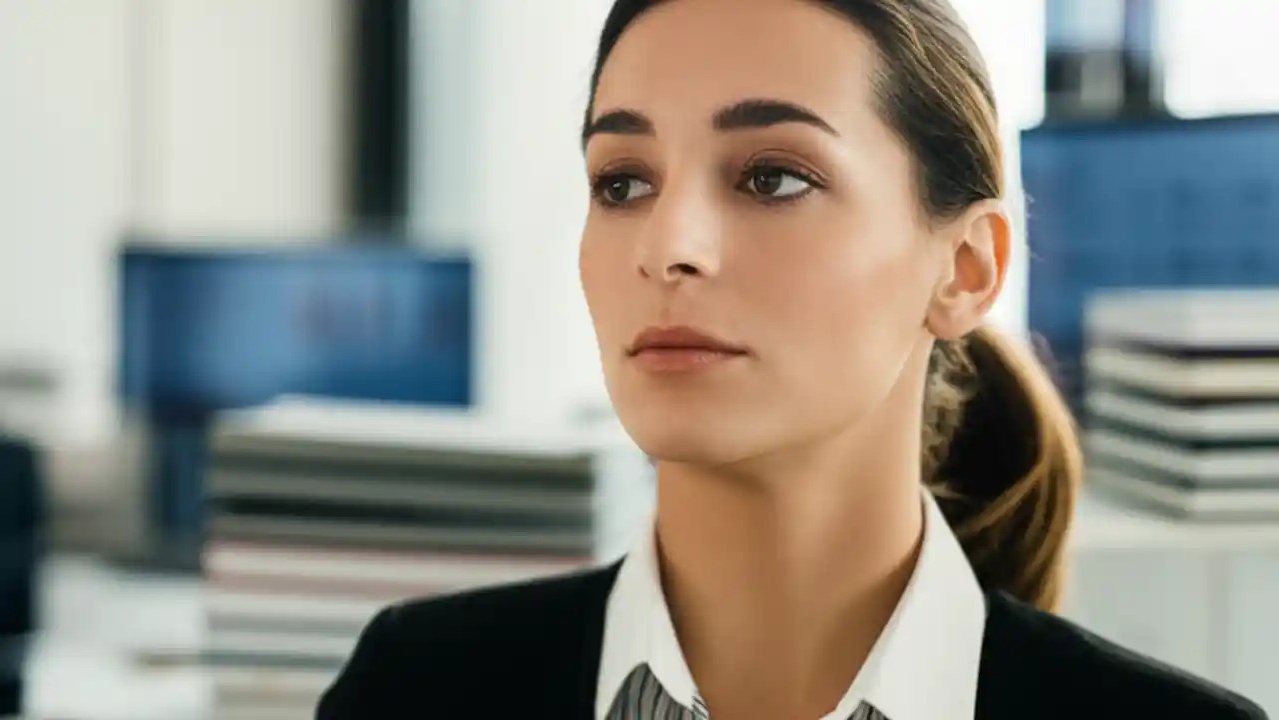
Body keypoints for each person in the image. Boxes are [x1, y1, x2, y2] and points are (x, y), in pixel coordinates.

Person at [317, 1, 1268, 718]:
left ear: (966, 268)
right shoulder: (413, 690)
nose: (668, 244)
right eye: (623, 182)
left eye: (773, 177)